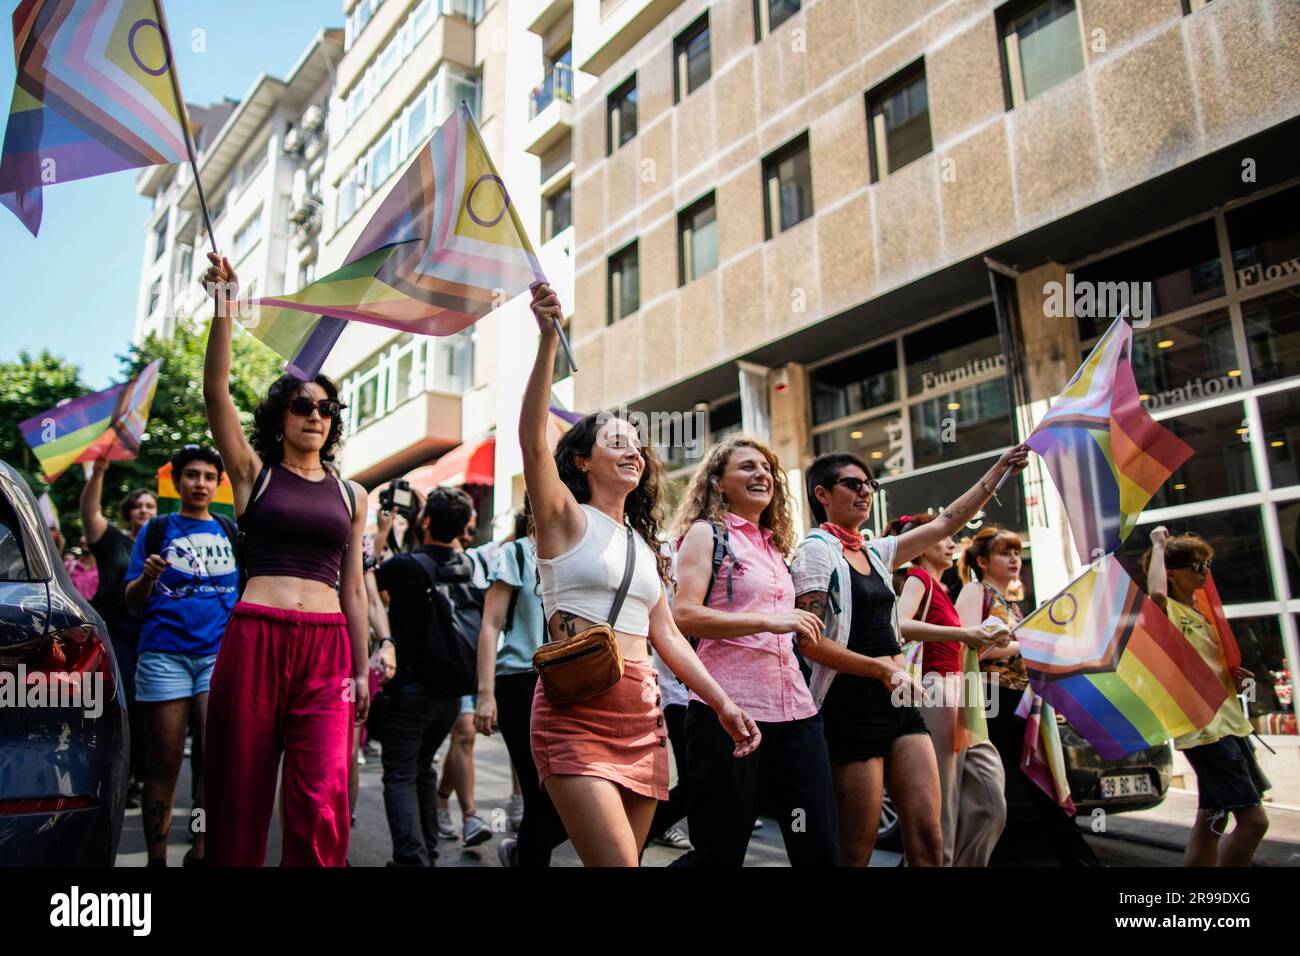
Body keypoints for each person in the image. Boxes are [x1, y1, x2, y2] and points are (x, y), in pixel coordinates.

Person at [520, 281, 761, 867]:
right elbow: (531, 441)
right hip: (576, 710)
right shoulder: (563, 519)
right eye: (615, 442)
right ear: (582, 459)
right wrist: (548, 340)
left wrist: (722, 703)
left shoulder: (644, 543)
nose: (633, 452)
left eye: (637, 445)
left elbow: (670, 636)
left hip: (643, 716)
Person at [201, 253, 369, 867]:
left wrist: (359, 664)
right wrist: (224, 306)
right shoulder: (254, 475)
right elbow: (215, 390)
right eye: (302, 406)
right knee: (237, 792)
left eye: (325, 408)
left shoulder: (353, 495)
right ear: (280, 418)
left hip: (328, 651)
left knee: (323, 795)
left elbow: (353, 590)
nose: (316, 417)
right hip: (255, 640)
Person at [790, 446, 1028, 866]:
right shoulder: (816, 550)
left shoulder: (876, 553)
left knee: (929, 838)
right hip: (852, 707)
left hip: (901, 702)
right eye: (852, 484)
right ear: (822, 494)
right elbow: (808, 640)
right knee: (856, 848)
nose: (865, 493)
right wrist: (880, 668)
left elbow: (946, 520)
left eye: (869, 485)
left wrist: (999, 470)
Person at [667, 435, 836, 867]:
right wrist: (768, 620)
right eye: (746, 467)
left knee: (817, 847)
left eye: (765, 468)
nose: (760, 474)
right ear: (719, 483)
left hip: (798, 714)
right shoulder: (706, 533)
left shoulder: (774, 545)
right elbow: (683, 615)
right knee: (718, 854)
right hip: (729, 713)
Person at [955, 524, 1099, 866]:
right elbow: (965, 648)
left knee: (1031, 784)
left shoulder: (1011, 602)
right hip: (990, 697)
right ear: (982, 561)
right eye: (1005, 553)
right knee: (1025, 784)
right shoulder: (976, 592)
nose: (1015, 560)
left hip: (1019, 698)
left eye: (1017, 553)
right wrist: (1031, 645)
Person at [123, 444, 237, 867]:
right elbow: (132, 600)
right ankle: (156, 859)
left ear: (217, 483)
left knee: (211, 762)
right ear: (177, 480)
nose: (200, 484)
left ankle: (201, 848)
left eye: (209, 476)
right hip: (164, 657)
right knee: (164, 763)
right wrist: (148, 578)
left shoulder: (228, 530)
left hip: (216, 659)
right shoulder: (155, 530)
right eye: (192, 475)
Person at [886, 512, 1008, 866]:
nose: (953, 543)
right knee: (943, 803)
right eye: (945, 536)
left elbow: (959, 643)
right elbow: (900, 625)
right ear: (923, 543)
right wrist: (963, 634)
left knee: (988, 797)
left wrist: (986, 640)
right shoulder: (918, 578)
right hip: (935, 688)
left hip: (961, 690)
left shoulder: (942, 587)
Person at [372, 487, 486, 865]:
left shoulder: (405, 566)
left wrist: (384, 534)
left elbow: (368, 582)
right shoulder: (467, 565)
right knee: (423, 769)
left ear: (424, 521)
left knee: (400, 774)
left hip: (411, 690)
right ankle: (427, 852)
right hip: (451, 695)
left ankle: (411, 858)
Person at [1145, 527, 1269, 867]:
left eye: (1207, 563)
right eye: (1197, 566)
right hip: (1207, 730)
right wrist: (1158, 544)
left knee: (1211, 820)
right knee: (1255, 822)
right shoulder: (1168, 610)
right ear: (1172, 573)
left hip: (1228, 723)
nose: (1205, 571)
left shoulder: (1202, 614)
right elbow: (1155, 594)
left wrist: (1231, 675)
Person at [474, 503, 569, 866]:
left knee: (566, 797)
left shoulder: (576, 552)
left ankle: (522, 852)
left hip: (571, 682)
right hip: (521, 681)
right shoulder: (515, 553)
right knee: (540, 794)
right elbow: (490, 624)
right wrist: (485, 694)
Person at [81, 460, 158, 808]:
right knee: (121, 704)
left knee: (147, 709)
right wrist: (97, 472)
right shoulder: (112, 541)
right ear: (128, 513)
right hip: (116, 635)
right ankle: (115, 777)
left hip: (152, 636)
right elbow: (90, 510)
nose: (144, 511)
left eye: (150, 507)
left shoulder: (164, 543)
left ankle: (140, 776)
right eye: (138, 506)